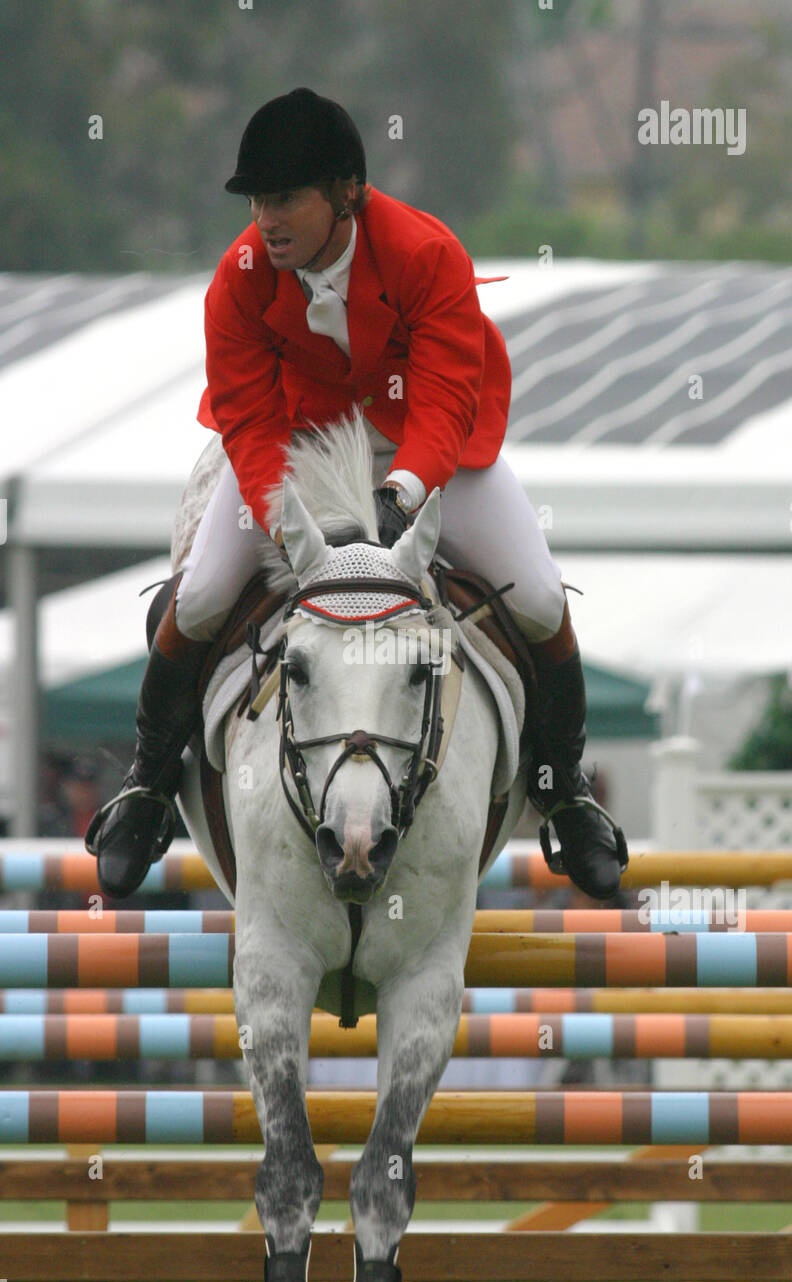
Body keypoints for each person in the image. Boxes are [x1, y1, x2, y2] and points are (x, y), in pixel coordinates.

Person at [86, 87, 626, 901]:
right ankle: (149, 785)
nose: (266, 220)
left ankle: (564, 791)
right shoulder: (237, 281)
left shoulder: (424, 252)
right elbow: (248, 418)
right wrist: (287, 522)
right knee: (197, 595)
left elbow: (446, 398)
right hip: (296, 444)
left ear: (346, 195)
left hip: (425, 445)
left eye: (285, 199)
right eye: (259, 200)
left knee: (544, 597)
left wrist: (403, 494)